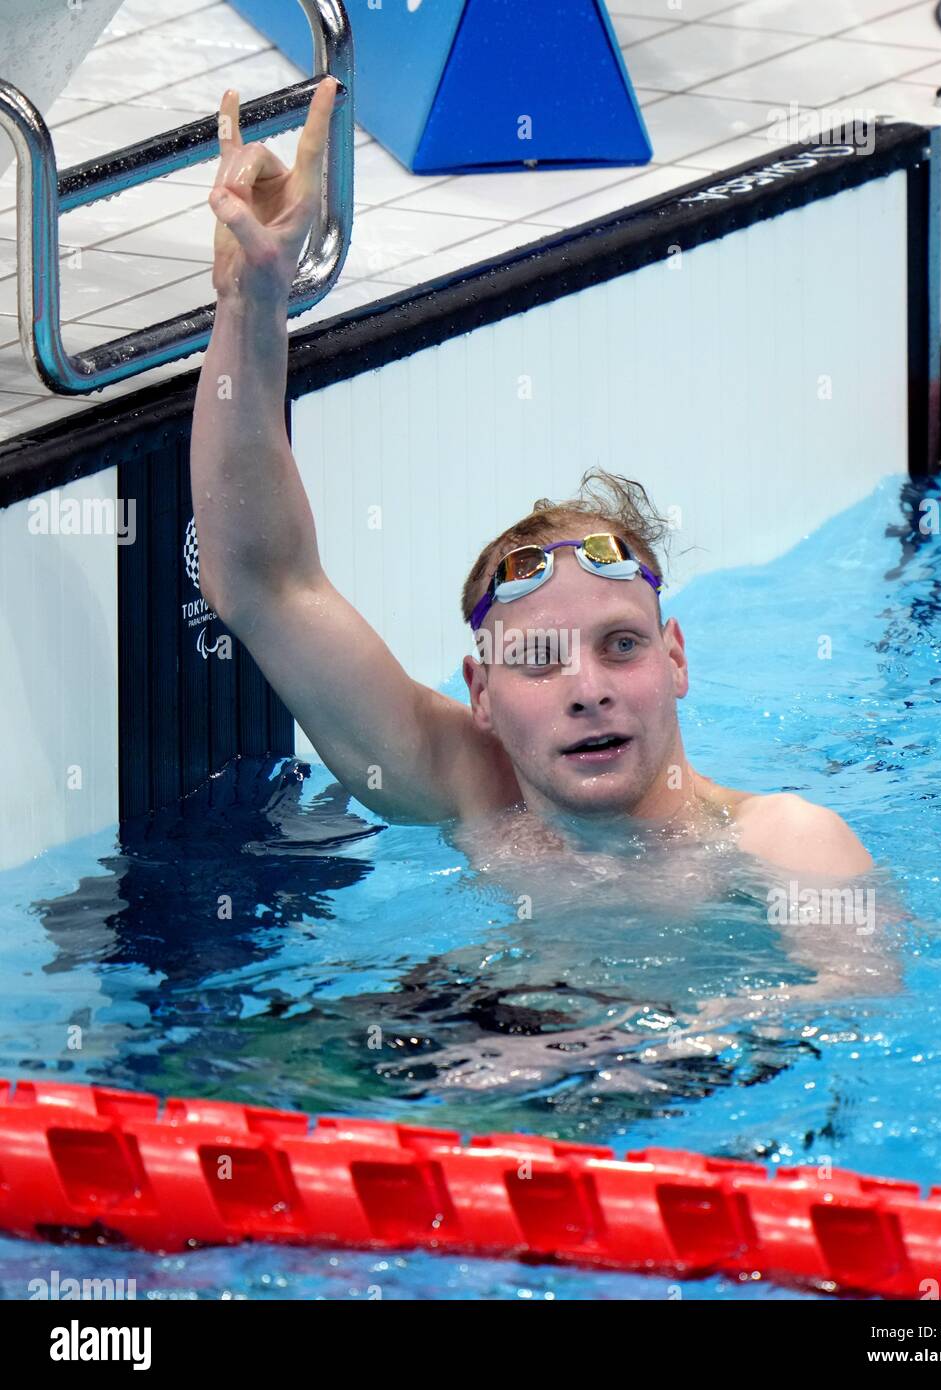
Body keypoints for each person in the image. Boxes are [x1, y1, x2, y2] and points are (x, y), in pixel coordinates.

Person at [192, 82, 895, 1090]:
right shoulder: (467, 789)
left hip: (675, 1073)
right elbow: (259, 579)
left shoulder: (783, 842)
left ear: (677, 658)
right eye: (535, 658)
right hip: (468, 1017)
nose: (587, 687)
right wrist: (250, 305)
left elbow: (853, 996)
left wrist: (620, 1050)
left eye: (619, 643)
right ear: (480, 697)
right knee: (215, 1082)